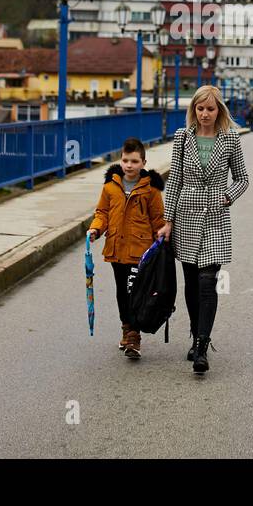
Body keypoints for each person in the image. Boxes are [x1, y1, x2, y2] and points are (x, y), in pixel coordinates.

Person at [159, 85, 250, 374]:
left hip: (215, 216)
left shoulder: (231, 139)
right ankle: (195, 331)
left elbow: (243, 179)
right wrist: (167, 220)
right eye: (200, 108)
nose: (205, 114)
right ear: (194, 110)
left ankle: (201, 346)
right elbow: (174, 181)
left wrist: (227, 197)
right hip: (185, 216)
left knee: (207, 281)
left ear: (219, 110)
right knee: (191, 283)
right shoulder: (182, 138)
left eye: (210, 109)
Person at [88, 137, 166, 359]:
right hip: (116, 249)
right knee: (122, 292)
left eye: (134, 161)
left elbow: (157, 220)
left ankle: (133, 335)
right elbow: (102, 213)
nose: (129, 165)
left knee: (134, 291)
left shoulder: (151, 190)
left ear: (143, 162)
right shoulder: (110, 186)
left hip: (140, 252)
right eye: (125, 160)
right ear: (120, 160)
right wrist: (95, 230)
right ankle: (126, 329)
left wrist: (160, 244)